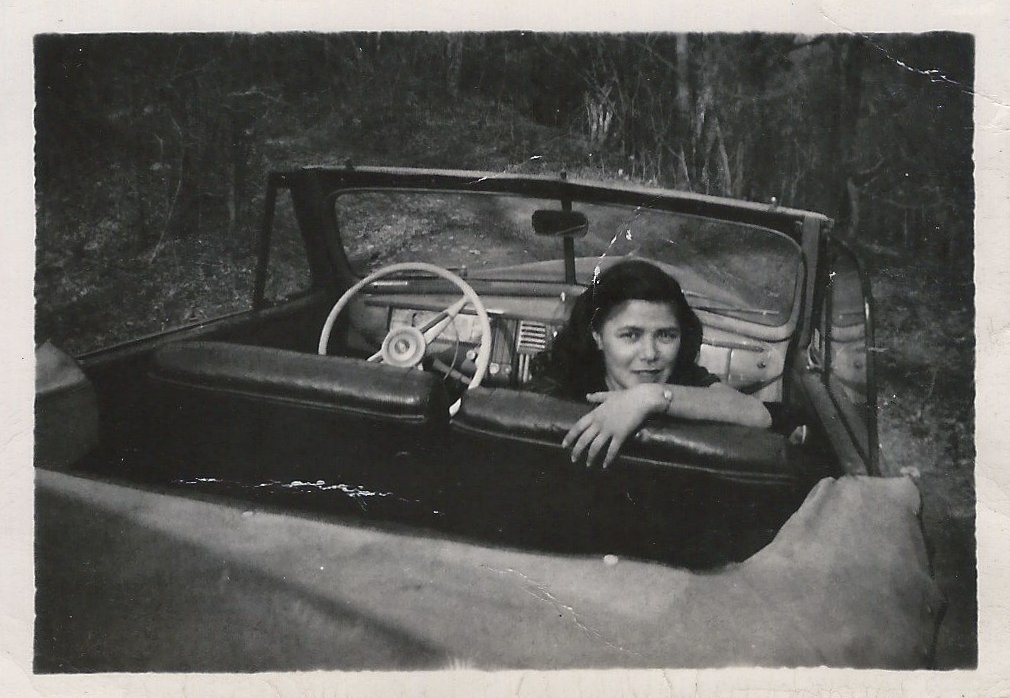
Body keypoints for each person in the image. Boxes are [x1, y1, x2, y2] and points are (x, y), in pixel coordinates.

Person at [531, 259, 773, 469]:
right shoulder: (565, 382)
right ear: (598, 336)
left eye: (666, 335)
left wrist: (650, 397)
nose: (650, 354)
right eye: (631, 335)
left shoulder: (683, 379)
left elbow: (758, 415)